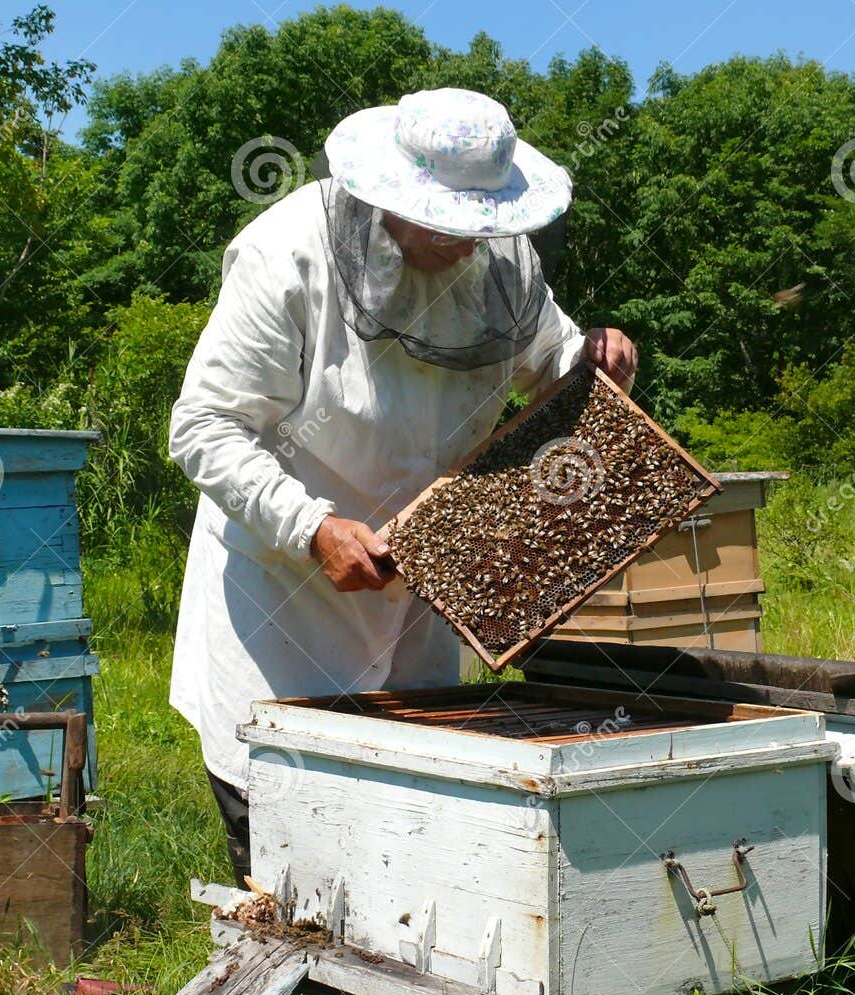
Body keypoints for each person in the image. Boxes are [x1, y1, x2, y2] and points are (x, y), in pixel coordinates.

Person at [168, 88, 639, 885]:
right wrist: (311, 528)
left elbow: (552, 361)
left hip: (421, 594)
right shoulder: (286, 255)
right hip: (285, 604)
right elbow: (205, 427)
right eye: (446, 223)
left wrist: (594, 357)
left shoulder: (502, 263)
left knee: (413, 847)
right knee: (288, 855)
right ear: (389, 195)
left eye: (480, 224)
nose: (465, 242)